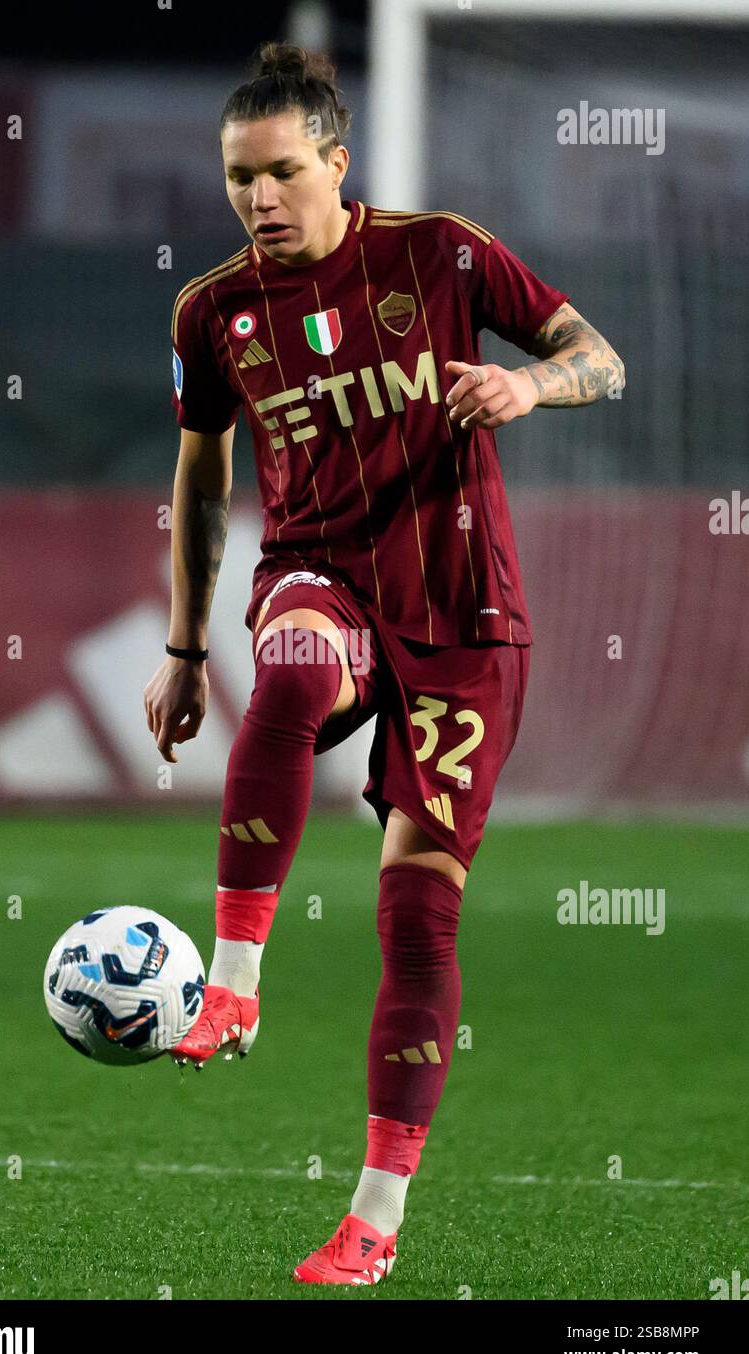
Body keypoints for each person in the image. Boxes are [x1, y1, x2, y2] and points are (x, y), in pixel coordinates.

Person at [143, 40, 625, 1286]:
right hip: (319, 573)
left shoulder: (443, 253)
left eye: (284, 174)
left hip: (464, 615)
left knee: (416, 914)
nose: (260, 201)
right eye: (241, 178)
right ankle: (233, 980)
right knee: (295, 675)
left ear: (337, 166)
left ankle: (371, 1219)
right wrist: (188, 645)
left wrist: (529, 389)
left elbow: (599, 357)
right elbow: (203, 481)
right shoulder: (212, 313)